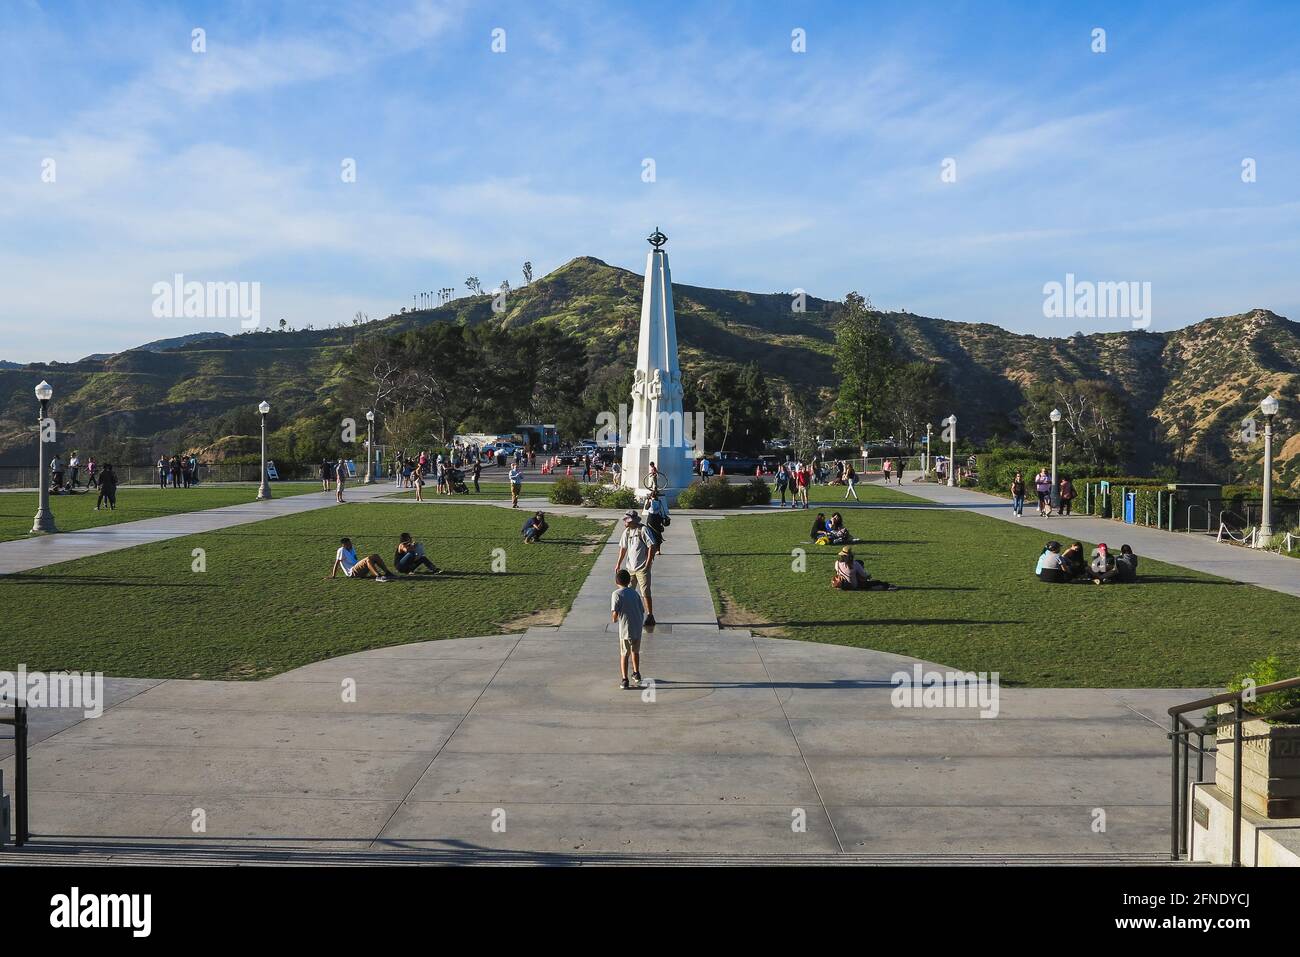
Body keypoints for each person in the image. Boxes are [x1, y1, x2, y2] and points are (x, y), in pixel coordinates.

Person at [615, 509, 658, 628]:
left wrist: (648, 564)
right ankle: (630, 613)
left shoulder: (643, 530)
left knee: (645, 592)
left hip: (642, 567)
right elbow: (623, 549)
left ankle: (650, 615)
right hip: (630, 568)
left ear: (632, 520)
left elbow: (652, 546)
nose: (625, 522)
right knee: (628, 592)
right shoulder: (626, 532)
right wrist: (618, 564)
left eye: (627, 520)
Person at [611, 568, 646, 690]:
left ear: (617, 582)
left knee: (624, 654)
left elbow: (615, 615)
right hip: (637, 628)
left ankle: (625, 679)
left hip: (625, 629)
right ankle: (636, 673)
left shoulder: (616, 594)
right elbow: (642, 610)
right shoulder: (634, 593)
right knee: (635, 652)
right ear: (629, 581)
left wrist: (614, 618)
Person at [832, 546, 897, 590]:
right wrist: (868, 576)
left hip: (843, 585)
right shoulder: (855, 564)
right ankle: (888, 586)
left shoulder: (837, 563)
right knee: (876, 582)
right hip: (854, 586)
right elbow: (864, 576)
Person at [330, 538, 394, 581]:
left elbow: (355, 560)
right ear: (343, 545)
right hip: (352, 572)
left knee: (375, 556)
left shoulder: (352, 549)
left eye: (350, 543)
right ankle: (378, 576)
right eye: (348, 544)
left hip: (357, 569)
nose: (350, 544)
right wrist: (333, 576)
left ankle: (388, 573)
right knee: (368, 559)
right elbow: (337, 563)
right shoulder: (341, 550)